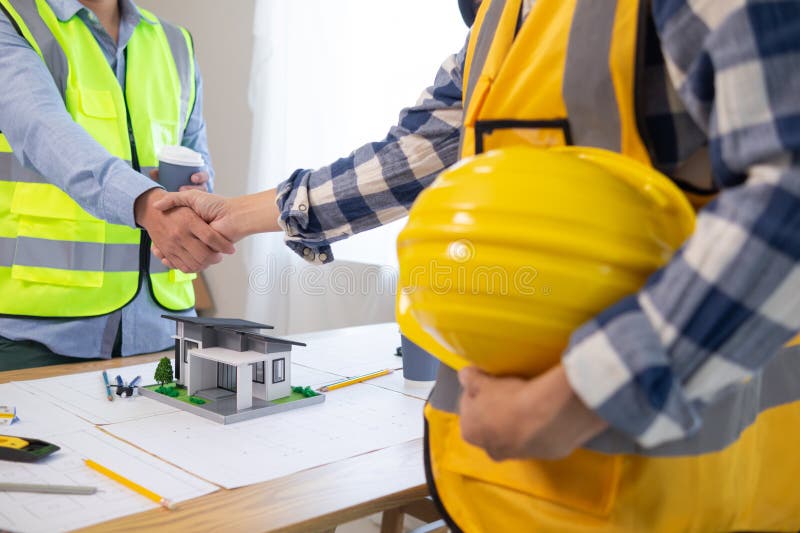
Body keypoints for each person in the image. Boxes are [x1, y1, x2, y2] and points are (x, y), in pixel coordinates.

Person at [154, 0, 800, 529]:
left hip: (677, 491)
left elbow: (787, 193)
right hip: (516, 489)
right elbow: (418, 148)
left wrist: (576, 395)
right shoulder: (504, 13)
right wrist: (234, 215)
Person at [0, 0, 234, 371]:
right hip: (38, 336)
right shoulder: (13, 20)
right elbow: (43, 131)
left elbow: (198, 163)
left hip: (164, 333)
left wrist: (197, 208)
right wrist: (146, 202)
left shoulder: (174, 42)